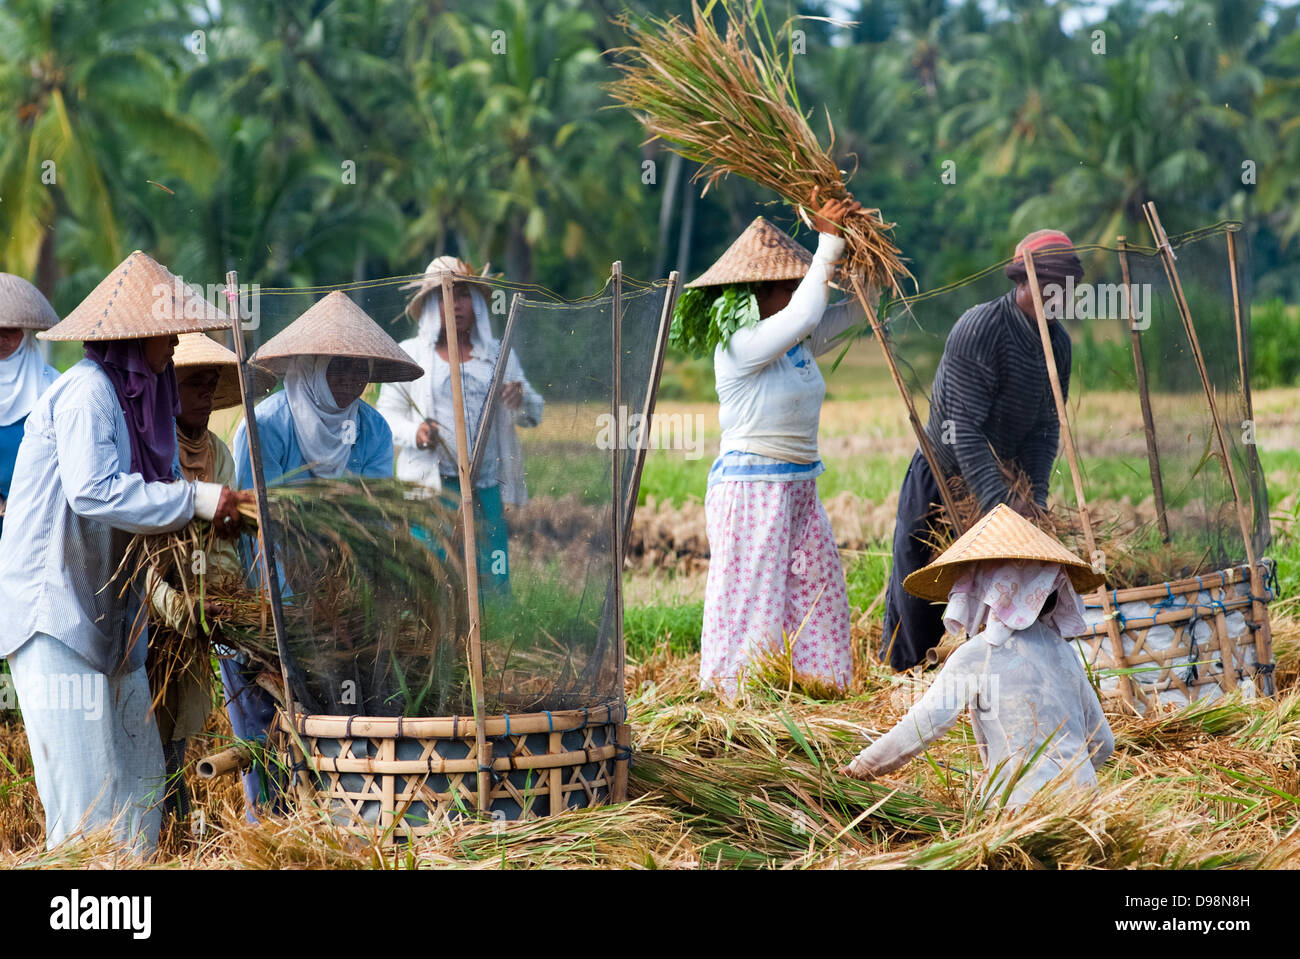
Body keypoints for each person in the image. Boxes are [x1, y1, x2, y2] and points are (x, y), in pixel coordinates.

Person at [0, 251, 247, 853]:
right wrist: (198, 501)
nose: (174, 344)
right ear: (135, 337)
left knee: (139, 784)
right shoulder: (88, 392)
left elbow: (151, 506)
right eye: (165, 334)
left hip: (113, 616)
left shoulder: (143, 403)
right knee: (88, 806)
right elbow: (94, 492)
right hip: (54, 615)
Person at [224, 290, 421, 819]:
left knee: (334, 726)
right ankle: (265, 832)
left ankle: (334, 828)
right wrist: (285, 611)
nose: (352, 379)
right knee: (264, 737)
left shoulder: (373, 429)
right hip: (266, 607)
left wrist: (349, 602)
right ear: (311, 366)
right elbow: (251, 533)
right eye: (340, 367)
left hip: (339, 610)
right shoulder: (262, 429)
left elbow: (370, 523)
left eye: (361, 369)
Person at [687, 193, 866, 696]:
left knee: (817, 590)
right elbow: (807, 312)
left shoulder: (795, 348)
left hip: (799, 485)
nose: (795, 288)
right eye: (786, 283)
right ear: (757, 292)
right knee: (754, 602)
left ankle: (816, 690)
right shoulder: (741, 345)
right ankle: (740, 702)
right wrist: (828, 245)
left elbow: (819, 308)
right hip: (753, 488)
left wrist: (843, 240)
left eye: (797, 281)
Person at [881, 229, 1084, 672]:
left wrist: (1033, 502)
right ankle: (911, 677)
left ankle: (982, 680)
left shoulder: (1058, 344)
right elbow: (963, 431)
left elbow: (1046, 428)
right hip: (946, 472)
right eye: (1051, 287)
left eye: (1067, 289)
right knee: (923, 578)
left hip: (1008, 480)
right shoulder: (982, 329)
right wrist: (1001, 509)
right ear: (1023, 283)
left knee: (995, 586)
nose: (1060, 297)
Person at [842, 504, 1114, 810]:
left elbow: (924, 725)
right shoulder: (1064, 652)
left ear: (985, 592)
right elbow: (1104, 743)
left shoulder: (978, 655)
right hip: (1085, 809)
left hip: (1019, 816)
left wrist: (860, 768)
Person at [143, 333, 271, 824]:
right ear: (170, 389)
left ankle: (175, 823)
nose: (204, 393)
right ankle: (158, 826)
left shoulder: (219, 452)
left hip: (203, 614)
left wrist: (229, 599)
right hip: (157, 611)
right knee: (152, 722)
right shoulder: (154, 450)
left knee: (181, 726)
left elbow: (227, 541)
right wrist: (181, 605)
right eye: (194, 383)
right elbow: (147, 550)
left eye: (210, 384)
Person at [378, 256, 543, 593]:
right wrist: (417, 433)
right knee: (432, 575)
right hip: (431, 490)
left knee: (490, 572)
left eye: (463, 294)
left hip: (484, 487)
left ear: (479, 303)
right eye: (442, 295)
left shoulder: (499, 355)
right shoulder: (409, 356)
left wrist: (519, 398)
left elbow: (533, 413)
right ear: (428, 306)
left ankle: (492, 638)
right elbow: (386, 418)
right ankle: (436, 640)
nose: (454, 305)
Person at [0, 273, 60, 537]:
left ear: (25, 333)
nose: (1, 339)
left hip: (37, 521)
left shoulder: (53, 389)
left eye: (10, 330)